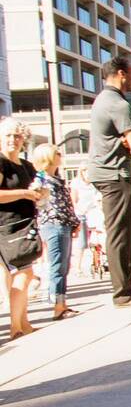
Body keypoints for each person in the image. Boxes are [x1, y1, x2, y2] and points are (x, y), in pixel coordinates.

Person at [87, 56, 131, 307]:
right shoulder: (117, 103)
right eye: (130, 73)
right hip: (115, 173)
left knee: (122, 232)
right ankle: (122, 292)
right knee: (120, 233)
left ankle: (127, 287)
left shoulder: (102, 100)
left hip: (107, 173)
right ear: (120, 73)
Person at [0, 117, 47, 338]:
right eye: (8, 135)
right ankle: (15, 327)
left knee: (19, 274)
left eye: (17, 136)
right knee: (24, 273)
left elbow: (38, 193)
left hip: (25, 223)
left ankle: (23, 322)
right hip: (6, 226)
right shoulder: (1, 163)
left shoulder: (27, 166)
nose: (13, 140)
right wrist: (25, 193)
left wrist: (40, 194)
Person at [32, 144, 80, 320]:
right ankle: (57, 305)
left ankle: (61, 303)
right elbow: (44, 204)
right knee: (58, 266)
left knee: (63, 265)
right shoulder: (42, 179)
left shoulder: (54, 178)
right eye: (57, 153)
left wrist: (74, 221)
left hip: (63, 224)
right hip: (54, 225)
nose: (60, 155)